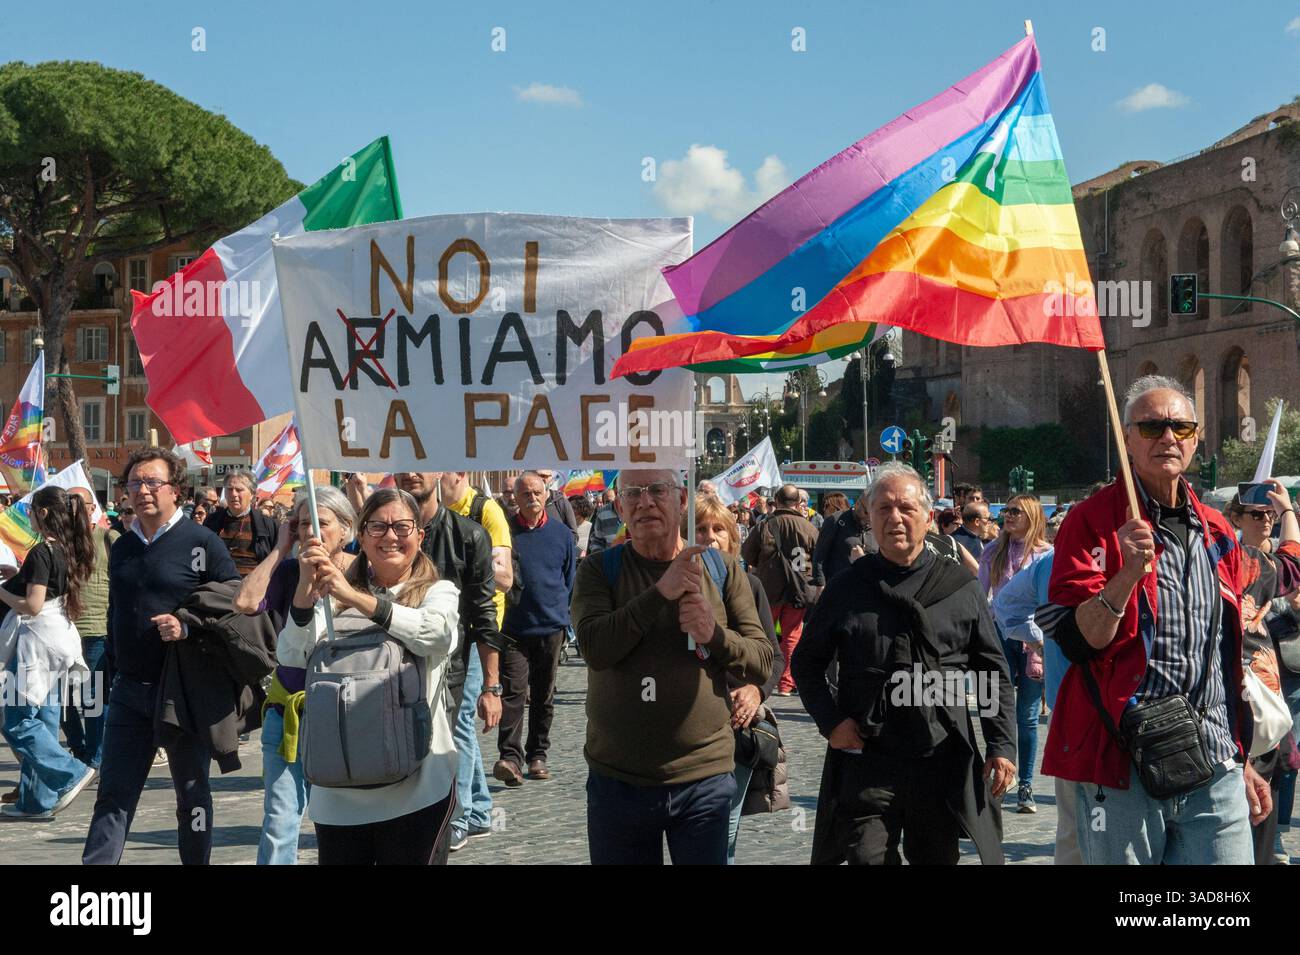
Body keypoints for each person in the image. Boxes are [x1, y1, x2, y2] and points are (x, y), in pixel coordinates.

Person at [1045, 375, 1277, 864]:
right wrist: (1126, 575)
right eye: (1151, 427)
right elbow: (1076, 641)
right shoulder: (1090, 521)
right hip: (1123, 761)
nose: (1168, 437)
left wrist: (1243, 758)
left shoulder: (1217, 529)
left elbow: (1225, 653)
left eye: (1180, 426)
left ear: (1195, 438)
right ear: (1126, 437)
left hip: (1214, 758)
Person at [792, 463, 1016, 864]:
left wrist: (1000, 745)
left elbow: (990, 671)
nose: (895, 518)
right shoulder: (847, 587)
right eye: (883, 509)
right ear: (870, 517)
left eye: (906, 509)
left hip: (939, 757)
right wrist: (832, 722)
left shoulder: (960, 587)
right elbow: (807, 663)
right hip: (867, 755)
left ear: (928, 517)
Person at [571, 468, 772, 864]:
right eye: (633, 493)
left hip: (703, 778)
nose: (645, 501)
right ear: (619, 507)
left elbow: (763, 660)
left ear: (682, 501)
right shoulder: (598, 570)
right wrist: (661, 592)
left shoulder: (722, 569)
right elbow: (594, 649)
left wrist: (713, 634)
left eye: (657, 490)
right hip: (618, 779)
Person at [278, 488, 462, 864]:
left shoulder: (438, 593)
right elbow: (291, 655)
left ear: (420, 536)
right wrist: (304, 590)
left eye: (401, 526)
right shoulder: (331, 601)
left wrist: (359, 597)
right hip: (339, 795)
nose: (390, 536)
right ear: (361, 537)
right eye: (377, 527)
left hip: (417, 788)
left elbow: (434, 635)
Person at [83, 448, 240, 864]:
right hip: (129, 691)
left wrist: (187, 626)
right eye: (134, 483)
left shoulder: (202, 543)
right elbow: (118, 608)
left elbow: (237, 605)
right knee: (113, 795)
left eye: (153, 482)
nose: (142, 491)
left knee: (192, 796)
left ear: (177, 490)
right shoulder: (122, 547)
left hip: (183, 692)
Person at [233, 486, 356, 864]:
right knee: (279, 819)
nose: (310, 531)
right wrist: (280, 549)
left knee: (343, 823)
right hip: (289, 711)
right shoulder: (288, 570)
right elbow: (246, 602)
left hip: (346, 715)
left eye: (320, 522)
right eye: (303, 523)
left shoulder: (364, 571)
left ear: (346, 529)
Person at [392, 472, 503, 863]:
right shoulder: (387, 530)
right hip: (391, 670)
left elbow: (484, 615)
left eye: (422, 462)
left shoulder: (469, 535)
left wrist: (491, 687)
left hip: (450, 672)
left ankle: (447, 831)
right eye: (406, 462)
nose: (413, 471)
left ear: (439, 470)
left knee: (441, 759)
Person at [693, 494, 784, 864]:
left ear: (732, 539)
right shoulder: (672, 584)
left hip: (735, 725)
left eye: (718, 529)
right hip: (685, 726)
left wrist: (756, 690)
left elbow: (773, 657)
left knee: (721, 834)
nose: (710, 537)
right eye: (700, 529)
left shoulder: (752, 584)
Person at [0, 486, 98, 819]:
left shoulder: (42, 550)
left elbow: (33, 604)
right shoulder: (66, 548)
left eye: (29, 511)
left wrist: (2, 593)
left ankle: (69, 772)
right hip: (58, 641)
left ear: (43, 513)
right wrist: (18, 577)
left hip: (37, 645)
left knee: (17, 721)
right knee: (42, 719)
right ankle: (35, 801)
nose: (26, 516)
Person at [1225, 481, 1300, 863]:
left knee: (1276, 772)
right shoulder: (1242, 561)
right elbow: (1295, 561)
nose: (1265, 519)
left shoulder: (1248, 559)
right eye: (1257, 513)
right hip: (1240, 693)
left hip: (1262, 693)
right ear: (1235, 519)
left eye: (1269, 514)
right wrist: (1287, 510)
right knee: (1248, 798)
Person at [439, 471, 513, 852]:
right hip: (446, 632)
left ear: (460, 474)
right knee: (459, 720)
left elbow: (505, 578)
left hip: (479, 632)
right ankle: (482, 811)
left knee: (461, 723)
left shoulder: (487, 512)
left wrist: (472, 560)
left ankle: (461, 817)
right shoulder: (430, 514)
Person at [494, 472, 576, 785]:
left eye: (537, 493)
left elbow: (568, 579)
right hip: (513, 628)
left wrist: (558, 611)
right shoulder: (505, 531)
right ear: (515, 497)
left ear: (546, 494)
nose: (532, 499)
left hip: (550, 626)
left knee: (544, 696)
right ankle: (510, 758)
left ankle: (538, 754)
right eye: (525, 494)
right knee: (514, 694)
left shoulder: (561, 534)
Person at [977, 493, 1051, 812]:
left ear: (1032, 517)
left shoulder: (1047, 555)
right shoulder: (992, 551)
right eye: (1006, 511)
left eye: (1015, 511)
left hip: (1035, 641)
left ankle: (1026, 786)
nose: (1008, 516)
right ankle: (1001, 776)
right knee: (1002, 711)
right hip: (999, 638)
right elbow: (980, 597)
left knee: (1028, 716)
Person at [743, 484, 822, 696]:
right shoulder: (809, 528)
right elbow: (819, 558)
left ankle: (764, 678)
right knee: (792, 637)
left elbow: (747, 553)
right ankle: (786, 683)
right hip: (799, 590)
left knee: (765, 635)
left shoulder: (765, 525)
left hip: (769, 588)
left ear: (777, 501)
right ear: (798, 504)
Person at [61, 487, 118, 772]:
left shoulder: (109, 539)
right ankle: (78, 749)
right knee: (66, 699)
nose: (72, 509)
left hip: (98, 631)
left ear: (91, 507)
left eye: (78, 503)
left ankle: (95, 756)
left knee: (94, 697)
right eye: (67, 503)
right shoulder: (58, 542)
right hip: (62, 633)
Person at [203, 469, 278, 577]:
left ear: (252, 494)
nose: (233, 494)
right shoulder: (211, 522)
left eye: (239, 490)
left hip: (254, 588)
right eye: (229, 489)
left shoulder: (268, 526)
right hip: (219, 587)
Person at [813, 492, 875, 583]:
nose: (870, 518)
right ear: (857, 504)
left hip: (868, 586)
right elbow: (819, 556)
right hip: (839, 586)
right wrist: (820, 584)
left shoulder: (878, 524)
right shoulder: (836, 520)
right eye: (866, 512)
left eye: (875, 513)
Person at [534, 469, 579, 545]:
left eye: (544, 476)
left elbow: (573, 535)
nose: (541, 479)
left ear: (551, 479)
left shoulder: (561, 502)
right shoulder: (527, 502)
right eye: (538, 476)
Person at [586, 487, 622, 555]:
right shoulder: (601, 513)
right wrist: (600, 560)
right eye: (607, 501)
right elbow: (596, 541)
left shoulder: (639, 509)